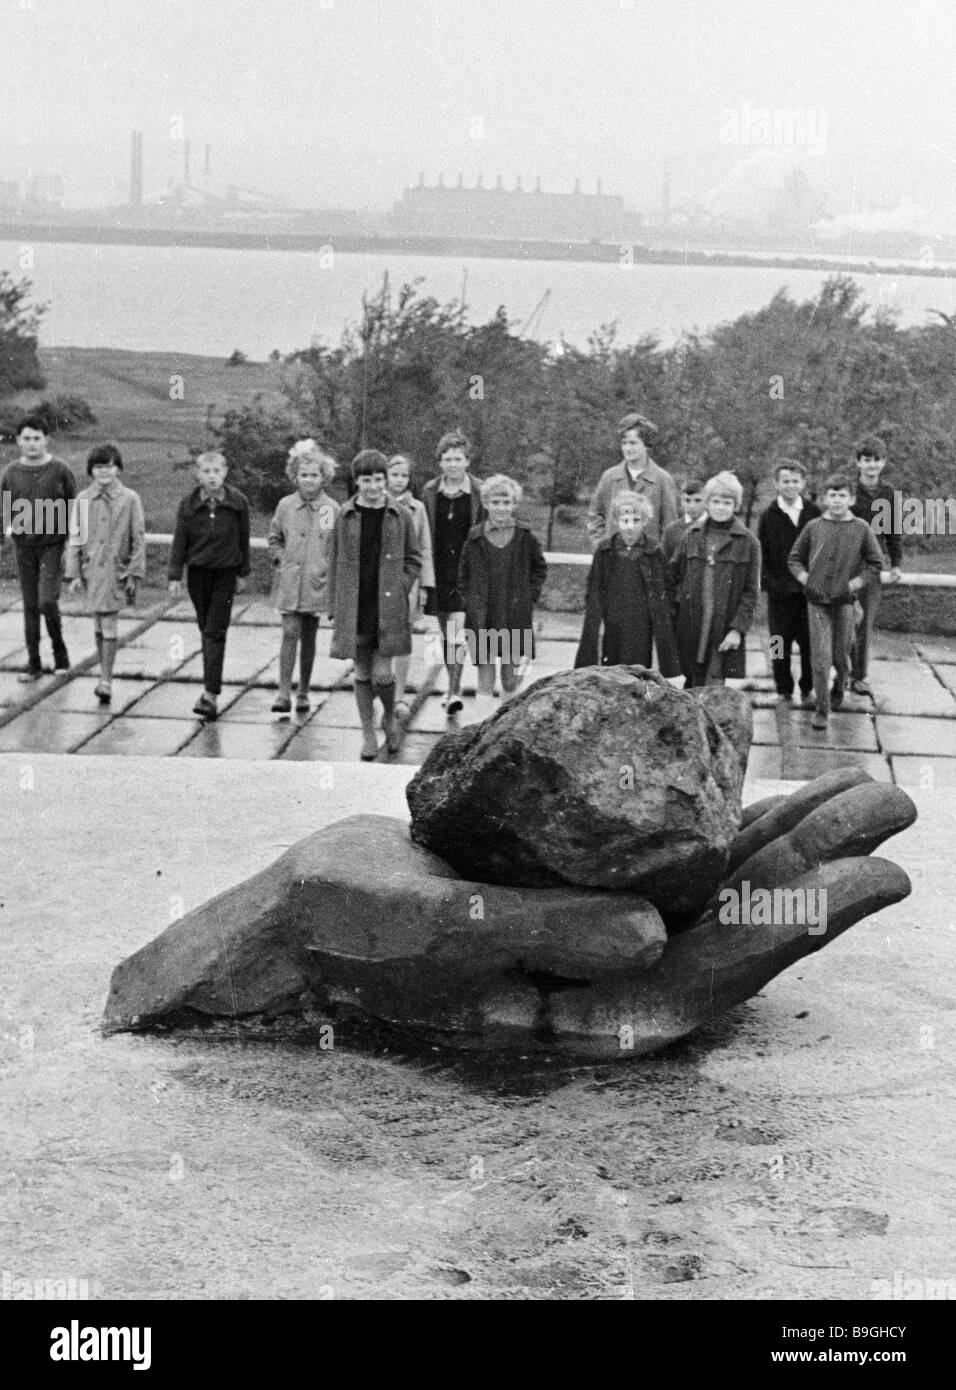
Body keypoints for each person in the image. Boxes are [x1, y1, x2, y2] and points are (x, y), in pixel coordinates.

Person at [327, 449, 422, 760]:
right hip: (354, 605)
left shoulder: (401, 515)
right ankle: (368, 731)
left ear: (385, 480)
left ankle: (389, 716)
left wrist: (401, 586)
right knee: (363, 673)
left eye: (378, 479)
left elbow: (413, 559)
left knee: (383, 674)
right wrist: (334, 607)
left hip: (387, 606)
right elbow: (334, 564)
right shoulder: (344, 515)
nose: (372, 486)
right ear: (356, 482)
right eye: (366, 480)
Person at [788, 473, 884, 730]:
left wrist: (856, 583)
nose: (837, 500)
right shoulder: (814, 527)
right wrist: (806, 578)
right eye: (832, 495)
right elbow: (794, 558)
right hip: (817, 602)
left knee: (841, 656)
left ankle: (840, 686)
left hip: (845, 604)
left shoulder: (861, 528)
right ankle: (822, 710)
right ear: (824, 498)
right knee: (820, 658)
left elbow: (876, 563)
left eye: (842, 495)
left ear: (851, 499)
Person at [168, 450, 250, 721]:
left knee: (215, 631)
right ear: (198, 474)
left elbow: (243, 538)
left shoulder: (238, 502)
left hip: (225, 574)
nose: (212, 477)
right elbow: (180, 540)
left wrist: (243, 572)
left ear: (225, 472)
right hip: (198, 574)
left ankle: (210, 695)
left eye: (216, 471)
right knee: (206, 629)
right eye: (206, 472)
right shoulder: (189, 505)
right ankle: (209, 685)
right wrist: (174, 575)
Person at [457, 474, 547, 716]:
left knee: (510, 679)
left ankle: (508, 728)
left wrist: (529, 597)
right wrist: (471, 602)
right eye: (495, 502)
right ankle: (481, 728)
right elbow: (463, 573)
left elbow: (539, 568)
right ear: (486, 503)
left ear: (514, 504)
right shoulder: (475, 537)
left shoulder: (524, 537)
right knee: (485, 676)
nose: (501, 508)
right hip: (482, 617)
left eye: (506, 503)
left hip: (514, 616)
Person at [64, 443, 145, 704]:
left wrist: (134, 572)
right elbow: (75, 537)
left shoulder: (130, 498)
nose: (104, 472)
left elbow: (138, 537)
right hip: (91, 571)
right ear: (91, 470)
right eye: (99, 467)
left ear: (118, 468)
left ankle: (106, 680)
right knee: (99, 623)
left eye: (109, 466)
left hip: (116, 571)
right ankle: (103, 673)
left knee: (109, 623)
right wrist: (74, 572)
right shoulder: (82, 499)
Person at [0, 414, 77, 680]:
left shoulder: (60, 470)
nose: (32, 443)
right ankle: (33, 664)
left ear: (46, 440)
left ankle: (60, 655)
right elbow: (6, 509)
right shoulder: (10, 473)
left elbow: (73, 506)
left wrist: (71, 544)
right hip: (25, 549)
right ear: (19, 441)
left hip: (52, 547)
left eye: (37, 438)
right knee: (30, 605)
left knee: (47, 601)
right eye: (27, 439)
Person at [668, 471, 760, 688]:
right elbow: (671, 577)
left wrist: (738, 629)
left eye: (727, 502)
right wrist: (671, 616)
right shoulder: (692, 535)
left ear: (736, 505)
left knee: (714, 685)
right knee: (691, 681)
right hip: (691, 625)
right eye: (716, 501)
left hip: (723, 629)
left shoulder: (748, 542)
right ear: (707, 503)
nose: (720, 507)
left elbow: (751, 591)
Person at [267, 439, 339, 716]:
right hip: (289, 581)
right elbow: (274, 536)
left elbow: (333, 544)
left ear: (324, 478)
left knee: (309, 637)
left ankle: (304, 691)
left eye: (314, 475)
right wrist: (280, 557)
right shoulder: (285, 506)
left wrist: (326, 571)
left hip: (316, 583)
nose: (309, 480)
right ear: (295, 477)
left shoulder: (329, 509)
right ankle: (283, 692)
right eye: (304, 475)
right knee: (289, 632)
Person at [575, 491, 680, 674]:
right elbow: (594, 587)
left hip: (642, 622)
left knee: (639, 671)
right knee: (611, 669)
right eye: (625, 520)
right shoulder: (605, 551)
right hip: (612, 619)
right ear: (616, 521)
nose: (630, 527)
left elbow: (667, 587)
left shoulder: (654, 551)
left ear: (645, 521)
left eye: (636, 520)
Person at [422, 429, 483, 715]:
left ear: (468, 461)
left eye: (458, 458)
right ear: (440, 462)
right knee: (448, 632)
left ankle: (453, 690)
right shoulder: (430, 491)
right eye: (447, 459)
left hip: (465, 570)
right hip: (439, 569)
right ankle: (453, 684)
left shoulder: (480, 491)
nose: (453, 464)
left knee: (458, 630)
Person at [756, 459, 820, 706]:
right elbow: (764, 553)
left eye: (795, 481)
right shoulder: (768, 516)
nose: (790, 486)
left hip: (808, 593)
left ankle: (807, 688)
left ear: (803, 483)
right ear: (776, 484)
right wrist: (772, 584)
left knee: (809, 644)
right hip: (779, 594)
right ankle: (783, 688)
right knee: (778, 644)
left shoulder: (813, 512)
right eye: (785, 481)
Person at [849, 434, 903, 696]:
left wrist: (896, 563)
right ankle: (841, 671)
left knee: (864, 622)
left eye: (877, 460)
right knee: (844, 618)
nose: (871, 465)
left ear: (884, 463)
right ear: (858, 462)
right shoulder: (848, 490)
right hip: (846, 561)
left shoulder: (889, 493)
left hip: (872, 563)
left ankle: (859, 676)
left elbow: (893, 531)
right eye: (866, 460)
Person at [386, 453, 435, 722]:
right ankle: (379, 689)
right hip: (379, 581)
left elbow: (424, 548)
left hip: (408, 580)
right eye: (394, 475)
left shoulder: (417, 509)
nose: (399, 480)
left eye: (404, 475)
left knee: (403, 639)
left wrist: (425, 585)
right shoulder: (374, 503)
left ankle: (399, 696)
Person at [585, 412, 679, 548]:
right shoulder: (609, 477)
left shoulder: (662, 479)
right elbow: (595, 515)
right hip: (613, 560)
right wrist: (601, 546)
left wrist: (657, 557)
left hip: (648, 562)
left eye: (633, 443)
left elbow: (669, 526)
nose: (628, 448)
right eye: (624, 443)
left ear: (646, 444)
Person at [661, 476, 706, 562]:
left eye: (697, 500)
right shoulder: (671, 530)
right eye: (687, 500)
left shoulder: (714, 526)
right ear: (681, 502)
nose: (692, 506)